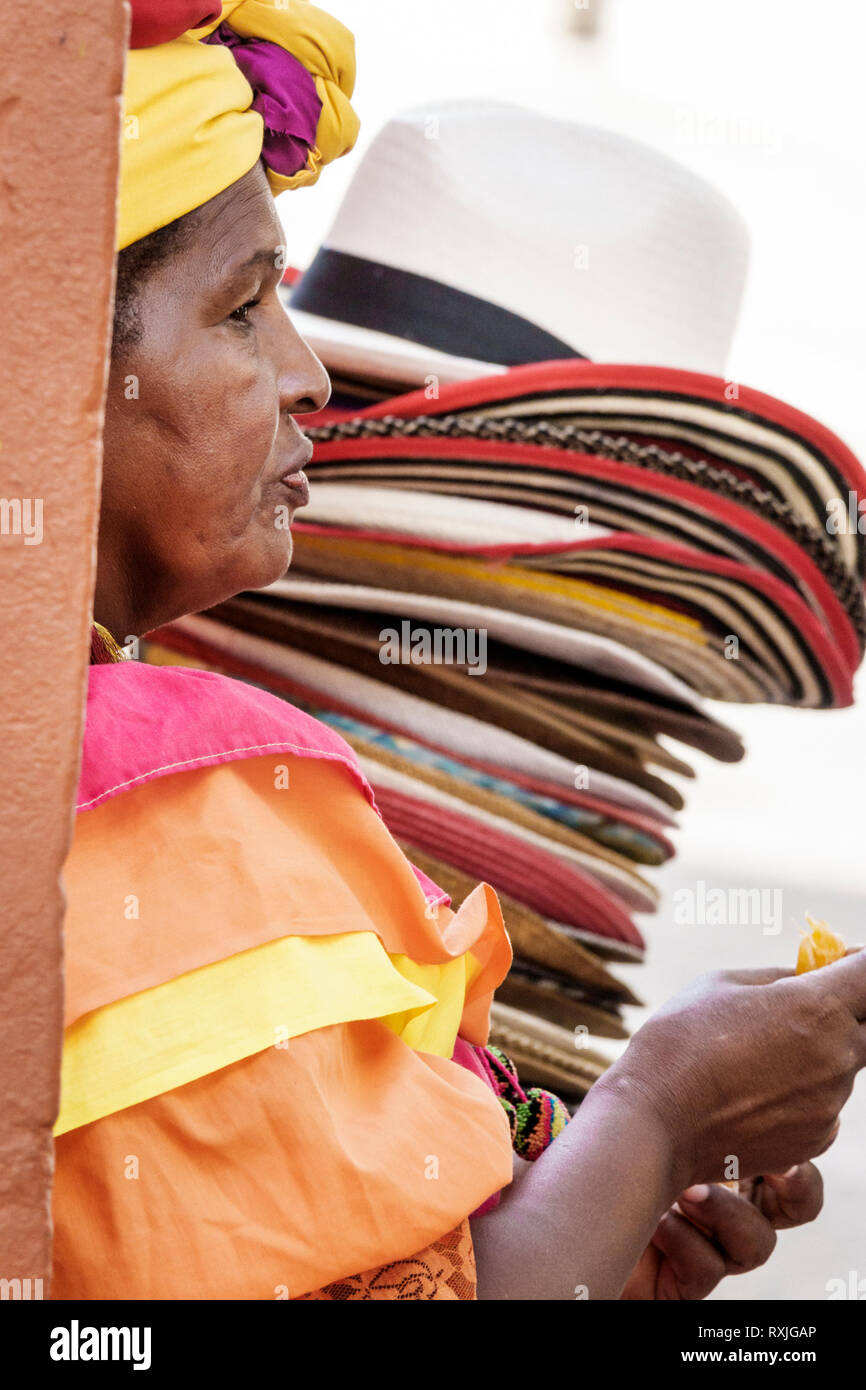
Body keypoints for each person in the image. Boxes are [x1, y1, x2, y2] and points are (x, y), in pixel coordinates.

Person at [56, 0, 866, 1301]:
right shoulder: (151, 801)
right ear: (56, 373)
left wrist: (588, 1233)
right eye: (244, 304)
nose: (306, 379)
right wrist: (656, 1105)